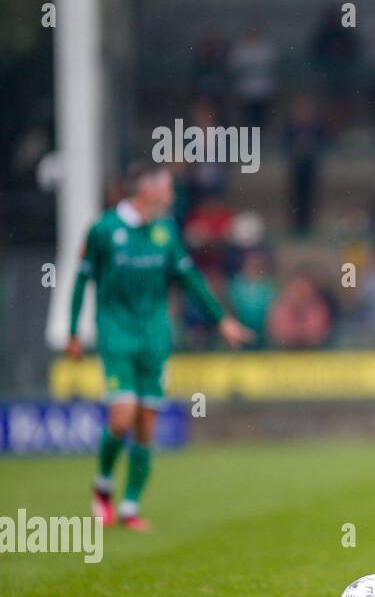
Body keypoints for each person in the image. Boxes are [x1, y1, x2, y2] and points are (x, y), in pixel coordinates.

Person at [66, 160, 253, 531]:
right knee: (122, 416)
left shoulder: (165, 232)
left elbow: (189, 279)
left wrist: (222, 319)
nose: (172, 193)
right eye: (167, 186)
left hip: (155, 335)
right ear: (146, 189)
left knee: (147, 423)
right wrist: (73, 331)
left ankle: (130, 507)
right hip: (116, 332)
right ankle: (103, 486)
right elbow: (81, 280)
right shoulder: (104, 230)